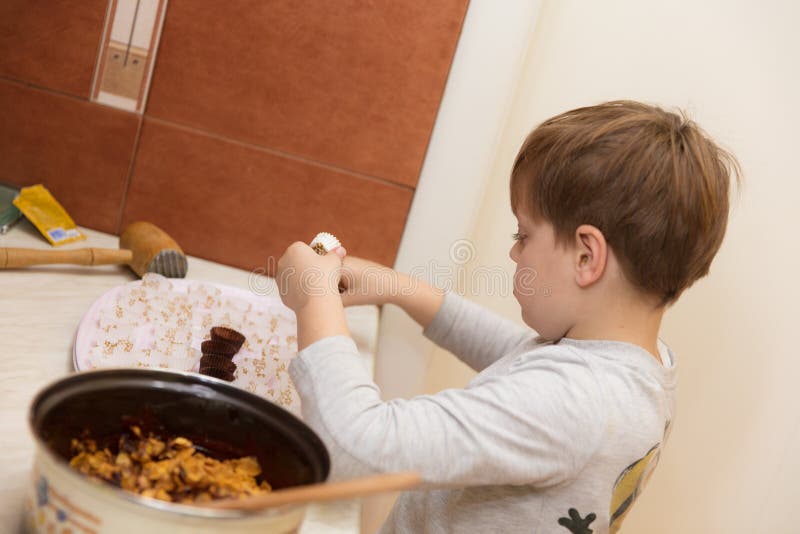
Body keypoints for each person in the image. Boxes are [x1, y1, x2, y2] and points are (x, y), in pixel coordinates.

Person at [276, 100, 739, 534]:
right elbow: (519, 359)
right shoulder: (640, 366)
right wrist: (400, 288)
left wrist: (313, 296)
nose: (514, 252)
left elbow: (350, 445)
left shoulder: (575, 402)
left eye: (524, 233)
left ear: (585, 257)